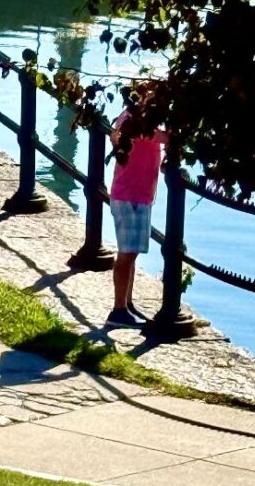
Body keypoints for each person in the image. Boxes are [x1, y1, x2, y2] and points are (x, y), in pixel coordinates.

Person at [107, 85, 168, 328]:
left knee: (130, 253)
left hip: (136, 194)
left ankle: (127, 303)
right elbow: (161, 138)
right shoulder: (137, 122)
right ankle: (118, 309)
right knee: (127, 254)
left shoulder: (130, 116)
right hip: (130, 195)